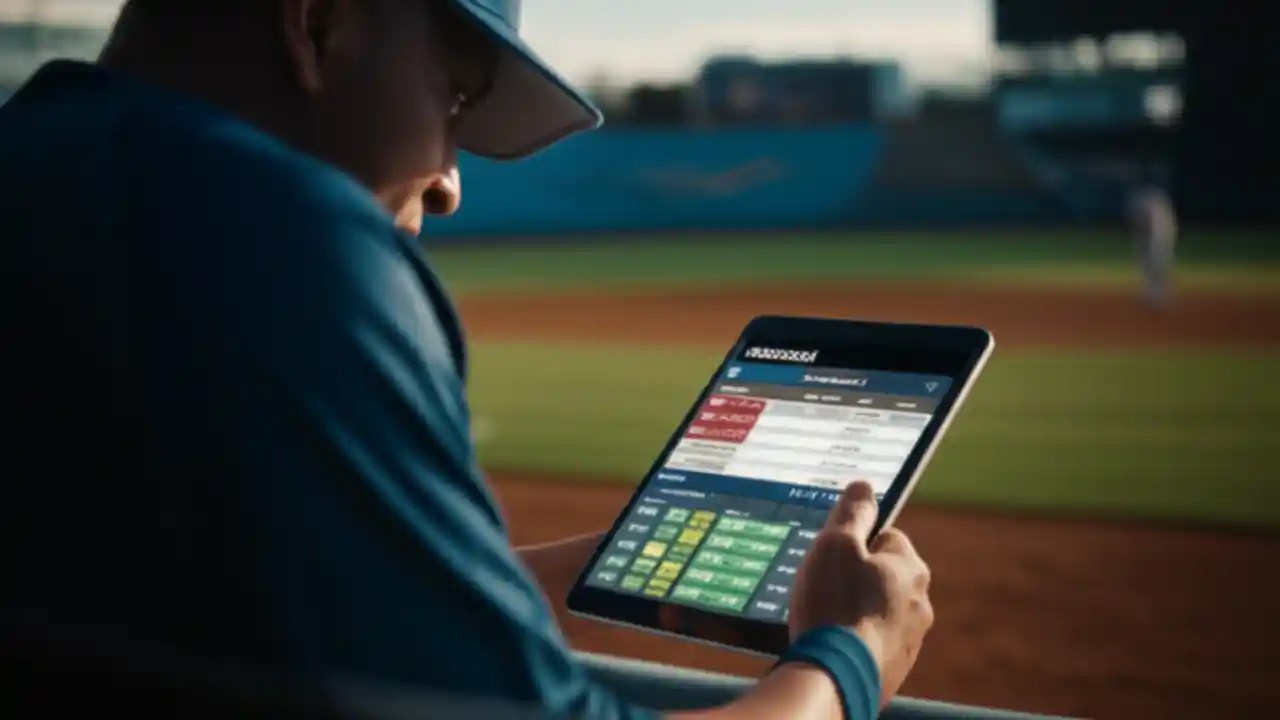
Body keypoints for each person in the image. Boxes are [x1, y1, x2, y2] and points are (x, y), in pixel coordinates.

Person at [0, 2, 933, 718]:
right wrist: (847, 659)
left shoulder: (53, 179)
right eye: (454, 97)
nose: (449, 185)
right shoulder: (274, 238)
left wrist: (582, 571)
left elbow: (202, 600)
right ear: (321, 21)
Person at [1125, 164, 1179, 311]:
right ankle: (1155, 296)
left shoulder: (1144, 197)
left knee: (1154, 265)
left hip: (1155, 235)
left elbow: (1143, 220)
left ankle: (1157, 297)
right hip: (1160, 235)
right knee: (1154, 265)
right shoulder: (1158, 196)